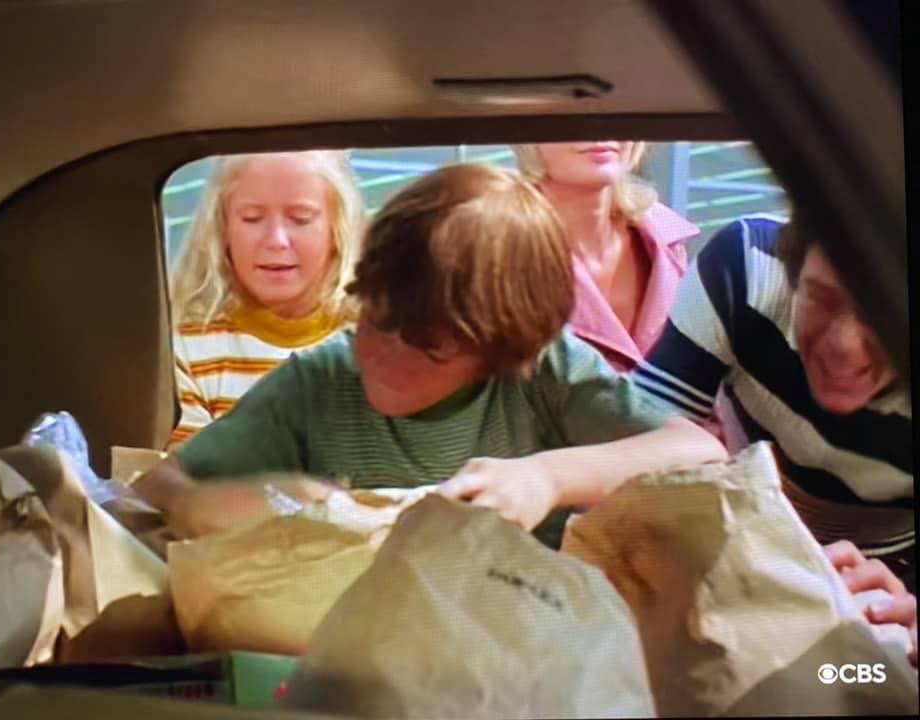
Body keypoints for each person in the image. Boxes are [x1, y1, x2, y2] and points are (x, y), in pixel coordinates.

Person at [134, 163, 727, 547]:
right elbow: (158, 485)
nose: (380, 355)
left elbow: (700, 453)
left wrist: (546, 478)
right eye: (374, 321)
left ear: (501, 348)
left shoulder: (543, 373)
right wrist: (228, 505)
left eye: (425, 349)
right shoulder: (319, 382)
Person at [632, 214, 914, 591]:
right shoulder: (747, 267)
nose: (845, 346)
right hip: (748, 541)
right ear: (793, 272)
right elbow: (635, 442)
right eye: (821, 298)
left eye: (885, 319)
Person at [167, 150, 365, 447]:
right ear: (221, 229)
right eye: (252, 218)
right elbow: (185, 481)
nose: (275, 240)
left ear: (338, 230)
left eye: (300, 219)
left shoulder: (378, 336)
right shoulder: (184, 345)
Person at [512, 142, 699, 371]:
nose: (600, 131)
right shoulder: (501, 247)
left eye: (614, 112)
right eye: (575, 114)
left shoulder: (667, 237)